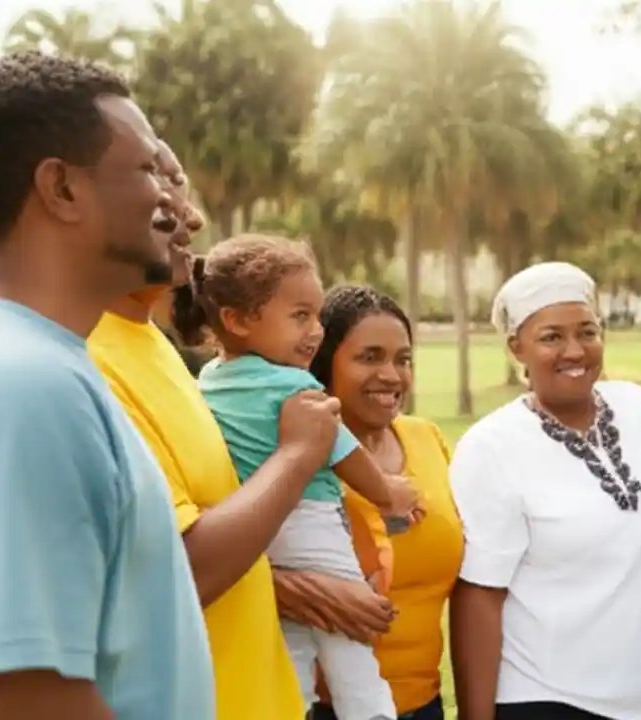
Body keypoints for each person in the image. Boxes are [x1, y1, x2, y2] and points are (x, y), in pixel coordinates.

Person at [0, 51, 213, 718]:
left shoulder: (29, 365)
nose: (174, 201)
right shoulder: (26, 385)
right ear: (62, 188)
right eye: (145, 170)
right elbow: (21, 697)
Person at [89, 144, 352, 719]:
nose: (191, 215)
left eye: (180, 185)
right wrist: (298, 455)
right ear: (67, 193)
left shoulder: (152, 344)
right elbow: (180, 571)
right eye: (158, 180)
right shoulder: (89, 360)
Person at [177, 234, 417, 720]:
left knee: (291, 639)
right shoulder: (293, 383)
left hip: (256, 527)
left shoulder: (207, 382)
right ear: (238, 320)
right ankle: (370, 712)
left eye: (316, 316)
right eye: (300, 316)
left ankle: (298, 706)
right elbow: (339, 448)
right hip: (310, 521)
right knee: (349, 635)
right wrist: (388, 492)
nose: (316, 331)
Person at [448, 262, 641, 720]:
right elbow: (479, 596)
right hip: (548, 699)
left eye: (588, 332)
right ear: (516, 347)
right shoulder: (492, 447)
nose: (574, 350)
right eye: (551, 337)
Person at [289, 284, 464, 720]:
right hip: (325, 709)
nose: (392, 375)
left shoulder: (427, 439)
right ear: (326, 362)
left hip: (424, 704)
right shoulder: (298, 454)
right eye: (370, 357)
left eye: (403, 359)